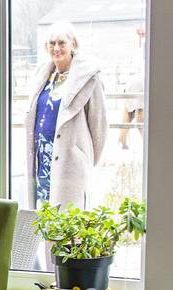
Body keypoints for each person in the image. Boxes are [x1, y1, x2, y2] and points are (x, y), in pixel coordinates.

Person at [22, 21, 107, 211]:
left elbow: (99, 126)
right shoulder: (43, 75)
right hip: (42, 158)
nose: (56, 48)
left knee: (66, 220)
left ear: (73, 44)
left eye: (62, 43)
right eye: (52, 43)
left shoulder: (88, 77)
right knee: (43, 215)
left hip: (69, 163)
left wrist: (82, 156)